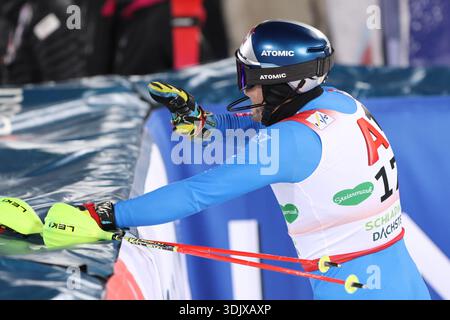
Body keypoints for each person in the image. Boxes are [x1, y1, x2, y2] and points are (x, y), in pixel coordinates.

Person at [43, 20, 430, 299]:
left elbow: (197, 194)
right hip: (403, 282)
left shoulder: (289, 140)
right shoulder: (342, 103)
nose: (247, 89)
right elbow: (271, 127)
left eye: (252, 79)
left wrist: (106, 216)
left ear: (283, 84)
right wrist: (206, 123)